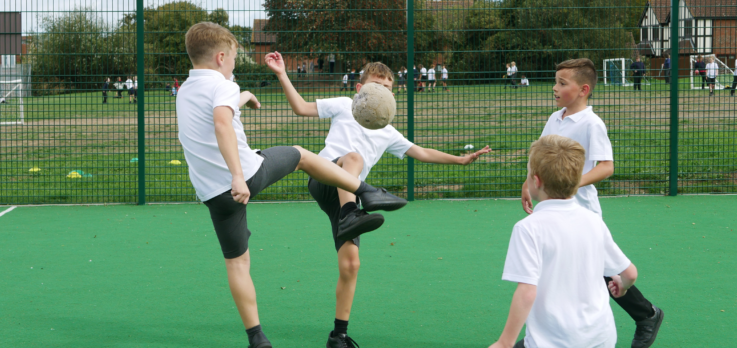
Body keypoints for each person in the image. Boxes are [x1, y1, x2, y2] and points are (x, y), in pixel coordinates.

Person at [176, 23, 405, 348]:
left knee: (238, 263)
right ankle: (363, 193)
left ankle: (257, 338)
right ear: (220, 57)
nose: (233, 68)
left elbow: (210, 112)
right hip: (245, 176)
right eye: (233, 61)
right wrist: (239, 176)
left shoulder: (185, 89)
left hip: (213, 195)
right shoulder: (222, 83)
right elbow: (220, 121)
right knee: (299, 155)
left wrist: (245, 96)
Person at [264, 56, 492, 348]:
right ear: (359, 88)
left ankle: (339, 336)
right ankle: (351, 212)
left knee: (351, 264)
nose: (382, 91)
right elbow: (300, 107)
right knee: (354, 158)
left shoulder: (386, 130)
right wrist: (282, 74)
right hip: (323, 177)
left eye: (387, 87)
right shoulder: (345, 105)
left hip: (348, 194)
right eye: (375, 85)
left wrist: (460, 160)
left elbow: (421, 152)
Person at [520, 58, 664, 348]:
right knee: (565, 268)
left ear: (583, 89)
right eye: (556, 81)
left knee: (603, 271)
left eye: (563, 83)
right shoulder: (555, 118)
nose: (555, 88)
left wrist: (571, 184)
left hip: (582, 210)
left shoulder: (591, 123)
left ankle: (647, 315)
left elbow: (606, 167)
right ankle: (544, 335)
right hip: (556, 208)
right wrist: (528, 182)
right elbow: (540, 156)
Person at [491, 135, 638, 348]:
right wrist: (622, 287)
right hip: (601, 338)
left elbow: (527, 291)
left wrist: (505, 342)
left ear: (537, 180)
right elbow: (630, 274)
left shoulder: (528, 228)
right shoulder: (592, 220)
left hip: (553, 341)